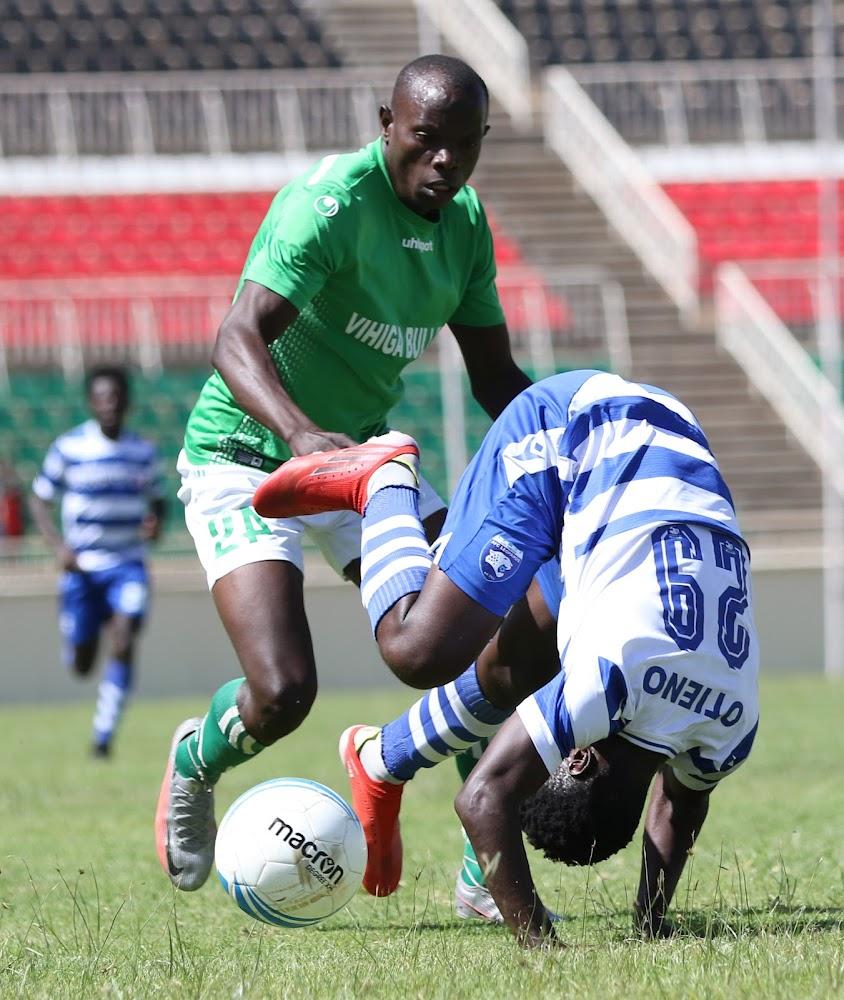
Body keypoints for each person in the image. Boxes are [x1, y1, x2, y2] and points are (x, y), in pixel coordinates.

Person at [155, 53, 531, 894]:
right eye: (426, 141)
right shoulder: (327, 205)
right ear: (385, 125)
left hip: (361, 462)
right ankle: (196, 758)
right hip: (245, 455)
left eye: (463, 147)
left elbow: (496, 380)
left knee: (484, 638)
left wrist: (577, 434)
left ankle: (486, 862)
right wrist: (298, 436)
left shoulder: (466, 227)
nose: (444, 163)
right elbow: (234, 339)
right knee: (284, 692)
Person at [253, 369, 760, 945]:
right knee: (419, 651)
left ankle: (384, 757)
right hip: (577, 430)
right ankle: (386, 479)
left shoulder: (731, 730)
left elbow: (680, 811)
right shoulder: (608, 682)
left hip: (670, 446)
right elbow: (481, 797)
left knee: (512, 668)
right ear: (577, 761)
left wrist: (651, 924)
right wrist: (541, 947)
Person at [30, 365, 166, 758]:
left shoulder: (142, 451)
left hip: (128, 564)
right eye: (102, 397)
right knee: (82, 663)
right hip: (82, 569)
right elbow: (40, 498)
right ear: (91, 402)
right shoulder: (70, 448)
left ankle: (103, 736)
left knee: (124, 639)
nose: (109, 405)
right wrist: (58, 546)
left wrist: (156, 522)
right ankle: (77, 644)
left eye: (116, 397)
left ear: (127, 402)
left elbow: (158, 498)